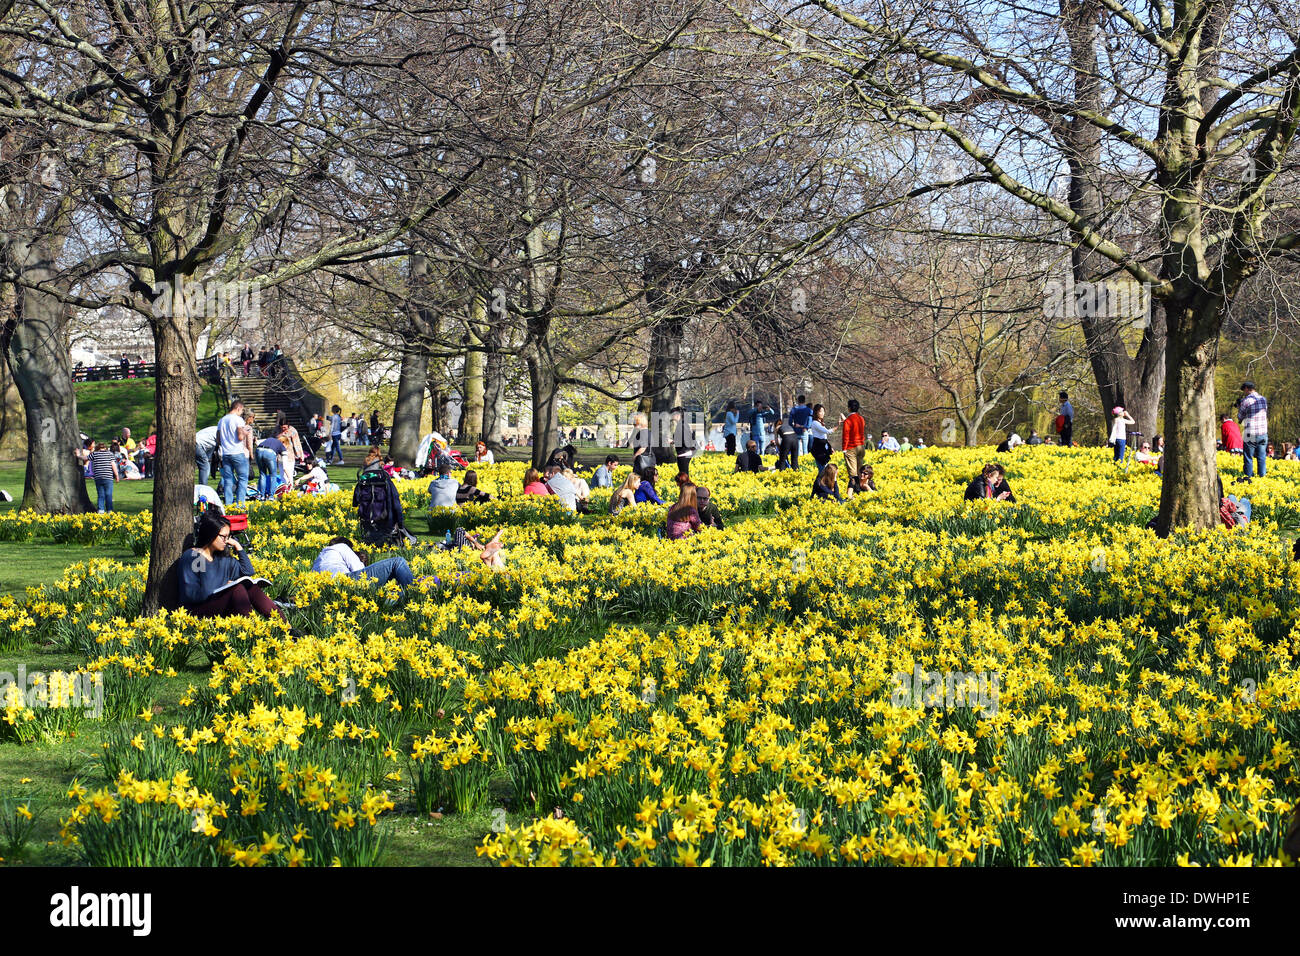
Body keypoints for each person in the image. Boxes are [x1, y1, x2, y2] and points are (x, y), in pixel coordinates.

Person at [180, 512, 287, 622]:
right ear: (210, 534)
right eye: (223, 536)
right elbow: (193, 594)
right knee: (237, 589)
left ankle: (285, 626)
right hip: (197, 611)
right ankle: (250, 630)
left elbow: (248, 572)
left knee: (251, 587)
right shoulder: (196, 557)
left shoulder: (222, 558)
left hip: (219, 607)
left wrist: (238, 546)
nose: (226, 541)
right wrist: (224, 586)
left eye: (228, 536)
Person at [311, 537, 415, 591]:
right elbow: (359, 570)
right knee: (398, 562)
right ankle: (415, 591)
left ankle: (401, 595)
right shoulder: (342, 546)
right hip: (344, 581)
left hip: (327, 588)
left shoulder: (319, 559)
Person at [217, 400, 250, 506]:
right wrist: (245, 433)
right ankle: (240, 504)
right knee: (243, 478)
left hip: (226, 453)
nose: (242, 413)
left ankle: (228, 504)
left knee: (228, 480)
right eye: (242, 410)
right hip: (237, 452)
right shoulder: (238, 419)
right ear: (238, 408)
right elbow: (240, 437)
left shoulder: (221, 420)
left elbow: (218, 439)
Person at [1239, 381, 1268, 478]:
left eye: (1244, 390)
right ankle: (1262, 477)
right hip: (1263, 433)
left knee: (1248, 457)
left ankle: (1248, 479)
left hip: (1250, 433)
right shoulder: (1263, 399)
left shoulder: (1246, 401)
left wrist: (1240, 407)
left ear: (1247, 388)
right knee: (1261, 457)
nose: (1244, 392)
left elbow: (1240, 417)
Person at [841, 400, 866, 494]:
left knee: (852, 473)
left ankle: (854, 492)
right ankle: (860, 489)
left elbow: (846, 436)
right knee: (860, 471)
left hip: (851, 447)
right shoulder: (861, 419)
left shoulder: (848, 420)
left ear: (849, 408)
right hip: (861, 446)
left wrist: (844, 449)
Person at [90, 440, 120, 512]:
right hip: (108, 477)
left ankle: (101, 510)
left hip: (98, 477)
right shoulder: (110, 454)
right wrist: (117, 475)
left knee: (100, 494)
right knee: (108, 494)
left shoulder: (94, 454)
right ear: (106, 448)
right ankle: (109, 510)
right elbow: (113, 465)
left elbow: (85, 458)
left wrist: (78, 455)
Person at [807, 404, 838, 473]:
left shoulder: (820, 423)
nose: (822, 413)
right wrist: (837, 426)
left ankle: (821, 482)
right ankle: (818, 483)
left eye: (823, 411)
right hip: (819, 448)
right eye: (820, 411)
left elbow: (824, 437)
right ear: (816, 412)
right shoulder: (815, 423)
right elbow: (827, 432)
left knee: (824, 470)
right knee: (822, 471)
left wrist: (830, 447)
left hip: (823, 448)